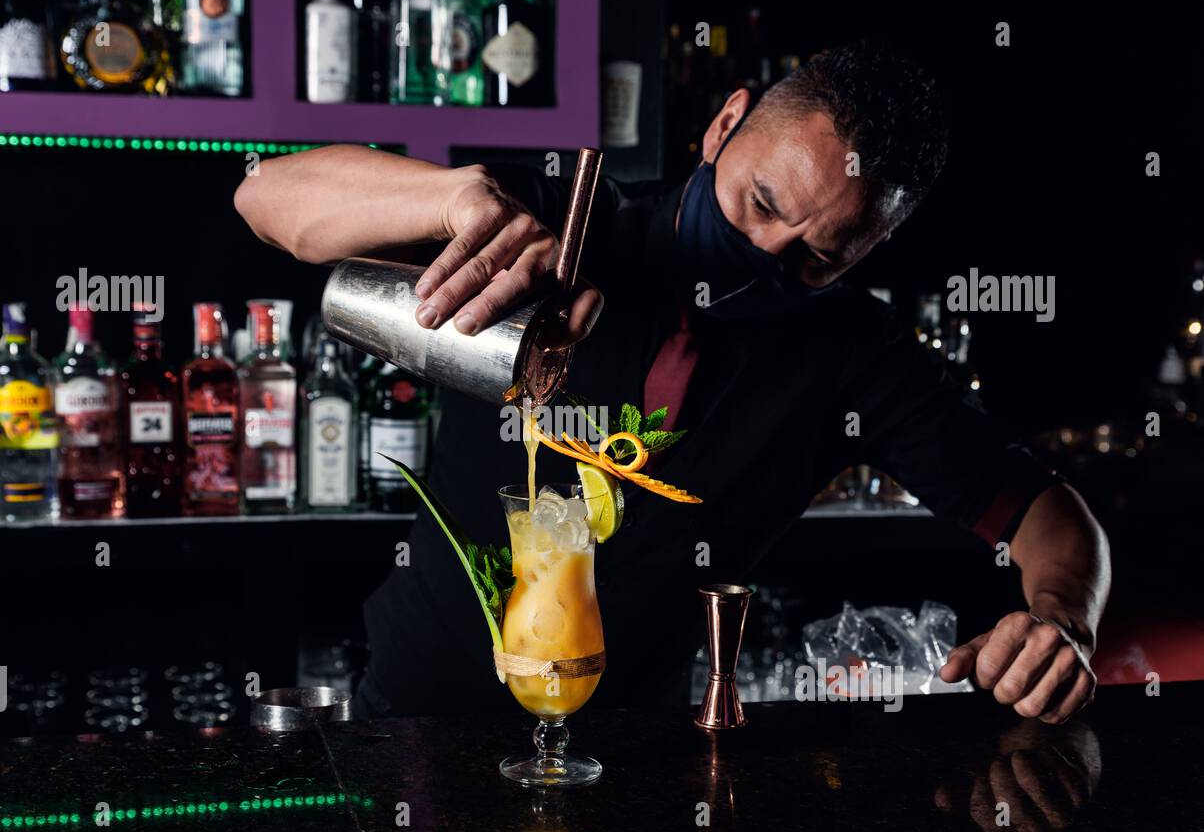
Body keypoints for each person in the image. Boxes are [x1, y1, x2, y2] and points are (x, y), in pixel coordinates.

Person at [235, 42, 1110, 725]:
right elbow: (266, 198)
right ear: (725, 125)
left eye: (817, 257)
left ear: (867, 256)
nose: (767, 255)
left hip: (636, 755)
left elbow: (1047, 514)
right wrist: (455, 199)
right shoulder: (560, 223)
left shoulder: (856, 354)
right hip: (415, 724)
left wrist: (1062, 620)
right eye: (759, 205)